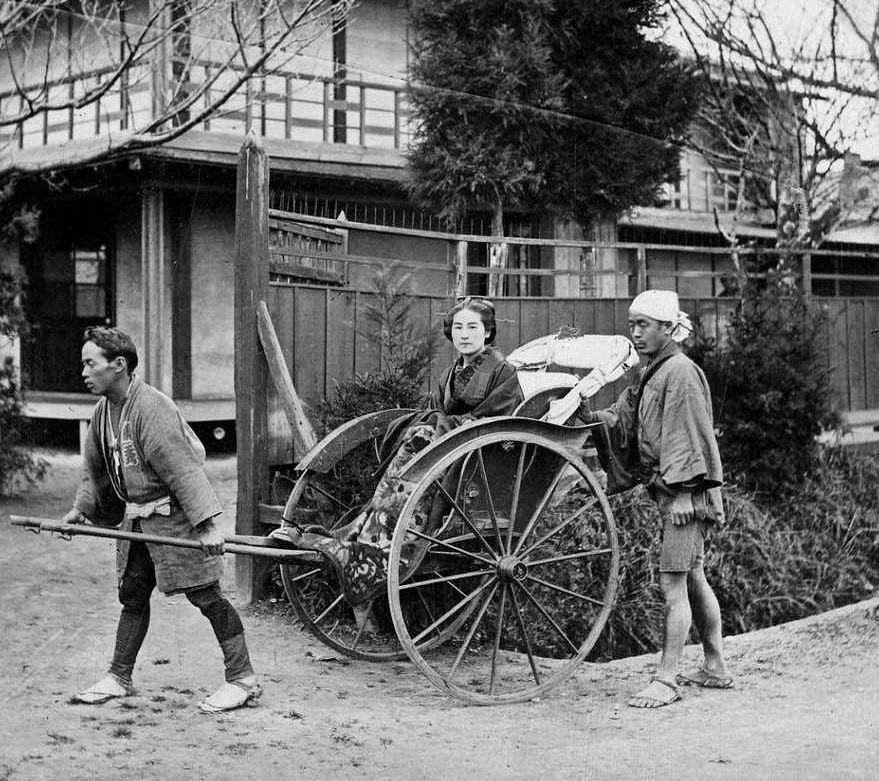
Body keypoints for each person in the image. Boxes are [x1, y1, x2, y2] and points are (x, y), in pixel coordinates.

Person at [61, 326, 262, 714]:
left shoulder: (151, 408)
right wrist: (81, 510)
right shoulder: (103, 411)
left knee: (206, 596)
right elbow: (94, 468)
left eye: (90, 364)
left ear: (118, 365)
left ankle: (243, 679)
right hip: (136, 520)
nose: (83, 372)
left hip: (175, 517)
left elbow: (184, 470)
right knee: (133, 596)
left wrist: (208, 527)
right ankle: (119, 677)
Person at [277, 296, 523, 606]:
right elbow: (436, 413)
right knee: (412, 450)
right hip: (445, 448)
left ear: (487, 332)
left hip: (477, 457)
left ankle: (383, 544)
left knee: (423, 437)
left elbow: (501, 421)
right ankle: (362, 537)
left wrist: (444, 427)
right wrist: (437, 425)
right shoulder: (449, 375)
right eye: (458, 327)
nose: (464, 334)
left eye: (473, 327)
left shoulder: (504, 372)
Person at [576, 290, 732, 709]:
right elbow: (621, 418)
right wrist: (586, 415)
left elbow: (689, 435)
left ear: (668, 328)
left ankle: (666, 680)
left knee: (672, 584)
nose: (636, 332)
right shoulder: (651, 371)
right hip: (675, 492)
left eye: (644, 325)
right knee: (693, 576)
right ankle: (715, 666)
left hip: (687, 495)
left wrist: (684, 494)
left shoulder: (680, 372)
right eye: (632, 324)